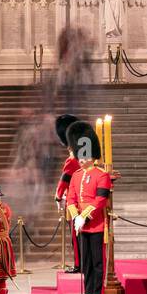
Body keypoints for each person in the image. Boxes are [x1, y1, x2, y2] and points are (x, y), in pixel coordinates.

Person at [65, 120, 112, 294]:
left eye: (85, 155)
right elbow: (71, 198)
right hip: (81, 225)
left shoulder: (102, 175)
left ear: (93, 156)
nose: (81, 159)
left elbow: (100, 200)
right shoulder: (76, 176)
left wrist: (85, 216)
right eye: (80, 155)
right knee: (86, 263)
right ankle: (87, 293)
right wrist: (75, 215)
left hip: (95, 224)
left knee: (97, 263)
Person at [53, 114, 82, 274]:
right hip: (81, 200)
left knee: (75, 237)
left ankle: (79, 264)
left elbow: (63, 183)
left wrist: (58, 197)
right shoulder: (82, 156)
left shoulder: (72, 160)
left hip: (74, 203)